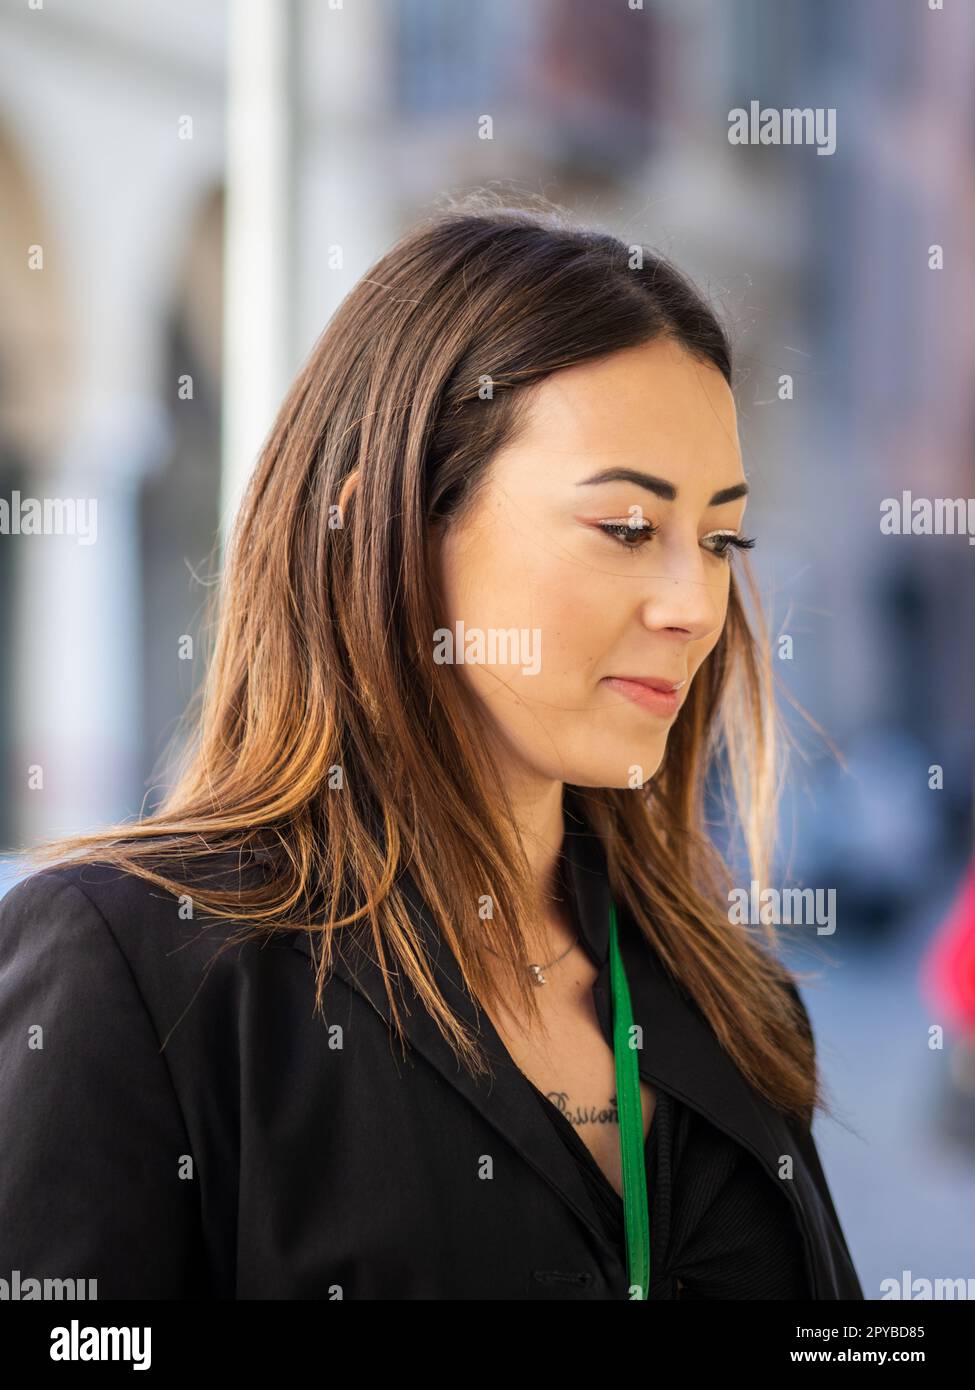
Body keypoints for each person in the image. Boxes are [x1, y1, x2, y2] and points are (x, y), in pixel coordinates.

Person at [0, 195, 863, 1300]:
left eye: (719, 539)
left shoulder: (727, 995)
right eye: (628, 529)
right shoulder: (132, 969)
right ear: (383, 529)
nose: (697, 604)